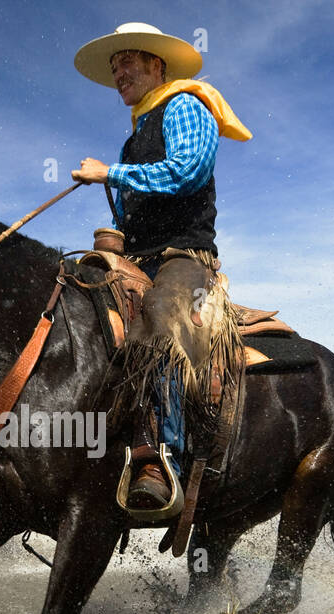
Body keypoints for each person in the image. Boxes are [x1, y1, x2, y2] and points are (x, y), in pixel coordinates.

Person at [71, 22, 251, 513]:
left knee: (162, 320)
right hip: (139, 256)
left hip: (182, 259)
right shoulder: (134, 136)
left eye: (127, 61)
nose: (118, 73)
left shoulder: (185, 105)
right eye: (114, 67)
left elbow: (188, 169)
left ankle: (159, 457)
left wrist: (110, 173)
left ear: (157, 65)